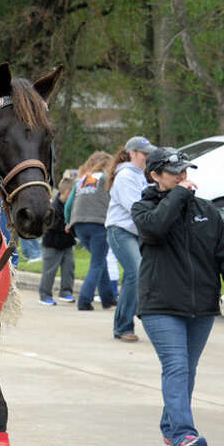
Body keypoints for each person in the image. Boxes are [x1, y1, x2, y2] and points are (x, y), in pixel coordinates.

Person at [132, 146, 224, 446]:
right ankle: (185, 435)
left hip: (201, 307)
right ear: (155, 175)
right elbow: (156, 228)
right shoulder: (142, 209)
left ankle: (170, 427)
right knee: (177, 366)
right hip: (160, 305)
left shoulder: (207, 211)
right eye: (175, 173)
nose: (183, 177)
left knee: (187, 371)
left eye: (185, 172)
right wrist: (179, 197)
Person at [105, 136, 154, 341]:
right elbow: (135, 207)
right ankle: (124, 327)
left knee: (135, 275)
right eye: (145, 154)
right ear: (132, 153)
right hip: (120, 231)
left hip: (133, 232)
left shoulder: (139, 176)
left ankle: (122, 324)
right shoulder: (126, 176)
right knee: (136, 272)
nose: (147, 158)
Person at [66, 151, 117, 311]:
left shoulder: (81, 180)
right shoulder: (106, 179)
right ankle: (84, 300)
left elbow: (69, 204)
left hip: (79, 225)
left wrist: (68, 222)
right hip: (98, 223)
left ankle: (108, 298)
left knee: (99, 260)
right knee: (97, 263)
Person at [38, 176, 76, 305]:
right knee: (49, 271)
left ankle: (66, 292)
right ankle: (45, 295)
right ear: (67, 192)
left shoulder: (72, 206)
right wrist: (66, 225)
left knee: (69, 268)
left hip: (67, 243)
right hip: (52, 244)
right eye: (73, 193)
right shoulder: (53, 206)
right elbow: (51, 224)